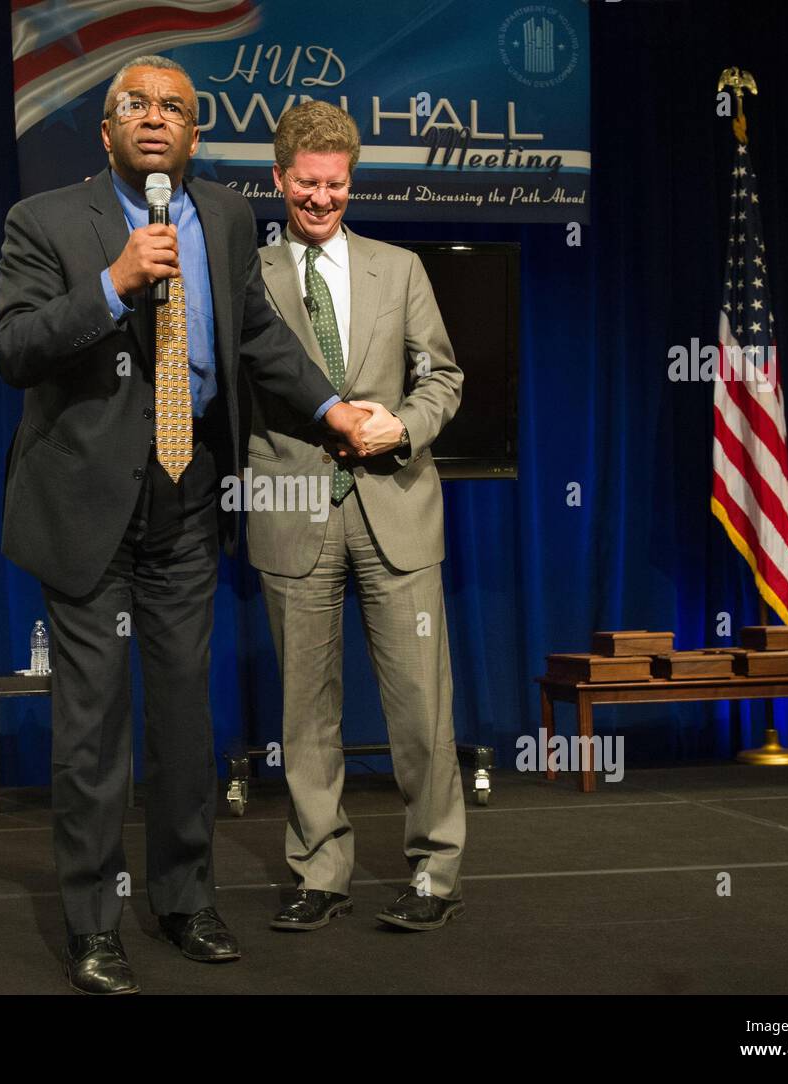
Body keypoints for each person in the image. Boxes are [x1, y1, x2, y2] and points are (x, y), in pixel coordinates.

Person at [0, 57, 369, 995]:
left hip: (188, 494)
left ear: (196, 135)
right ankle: (91, 925)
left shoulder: (229, 217)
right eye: (135, 106)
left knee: (186, 720)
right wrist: (115, 284)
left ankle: (185, 898)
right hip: (86, 504)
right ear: (108, 128)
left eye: (175, 109)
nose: (155, 119)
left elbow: (254, 334)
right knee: (92, 729)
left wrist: (333, 410)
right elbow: (14, 348)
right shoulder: (42, 222)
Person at [246, 100, 466, 933]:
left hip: (396, 507)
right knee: (305, 713)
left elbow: (442, 377)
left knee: (420, 708)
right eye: (307, 185)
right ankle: (318, 872)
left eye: (335, 186)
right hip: (291, 507)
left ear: (352, 181)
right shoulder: (249, 272)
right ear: (279, 178)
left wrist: (404, 424)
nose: (321, 200)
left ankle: (435, 873)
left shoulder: (400, 268)